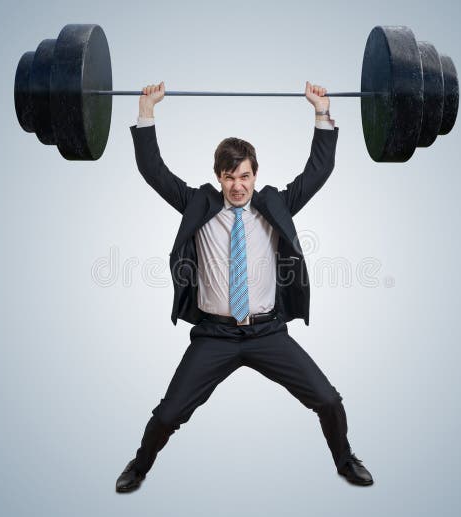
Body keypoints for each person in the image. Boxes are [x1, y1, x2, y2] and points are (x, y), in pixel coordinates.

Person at [116, 81, 373, 492]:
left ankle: (344, 460)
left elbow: (318, 171)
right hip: (215, 335)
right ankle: (139, 466)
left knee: (328, 399)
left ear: (256, 175)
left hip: (267, 331)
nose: (238, 185)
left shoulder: (275, 204)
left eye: (245, 176)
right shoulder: (197, 203)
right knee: (168, 415)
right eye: (229, 176)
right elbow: (154, 171)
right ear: (218, 177)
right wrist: (146, 111)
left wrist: (321, 113)